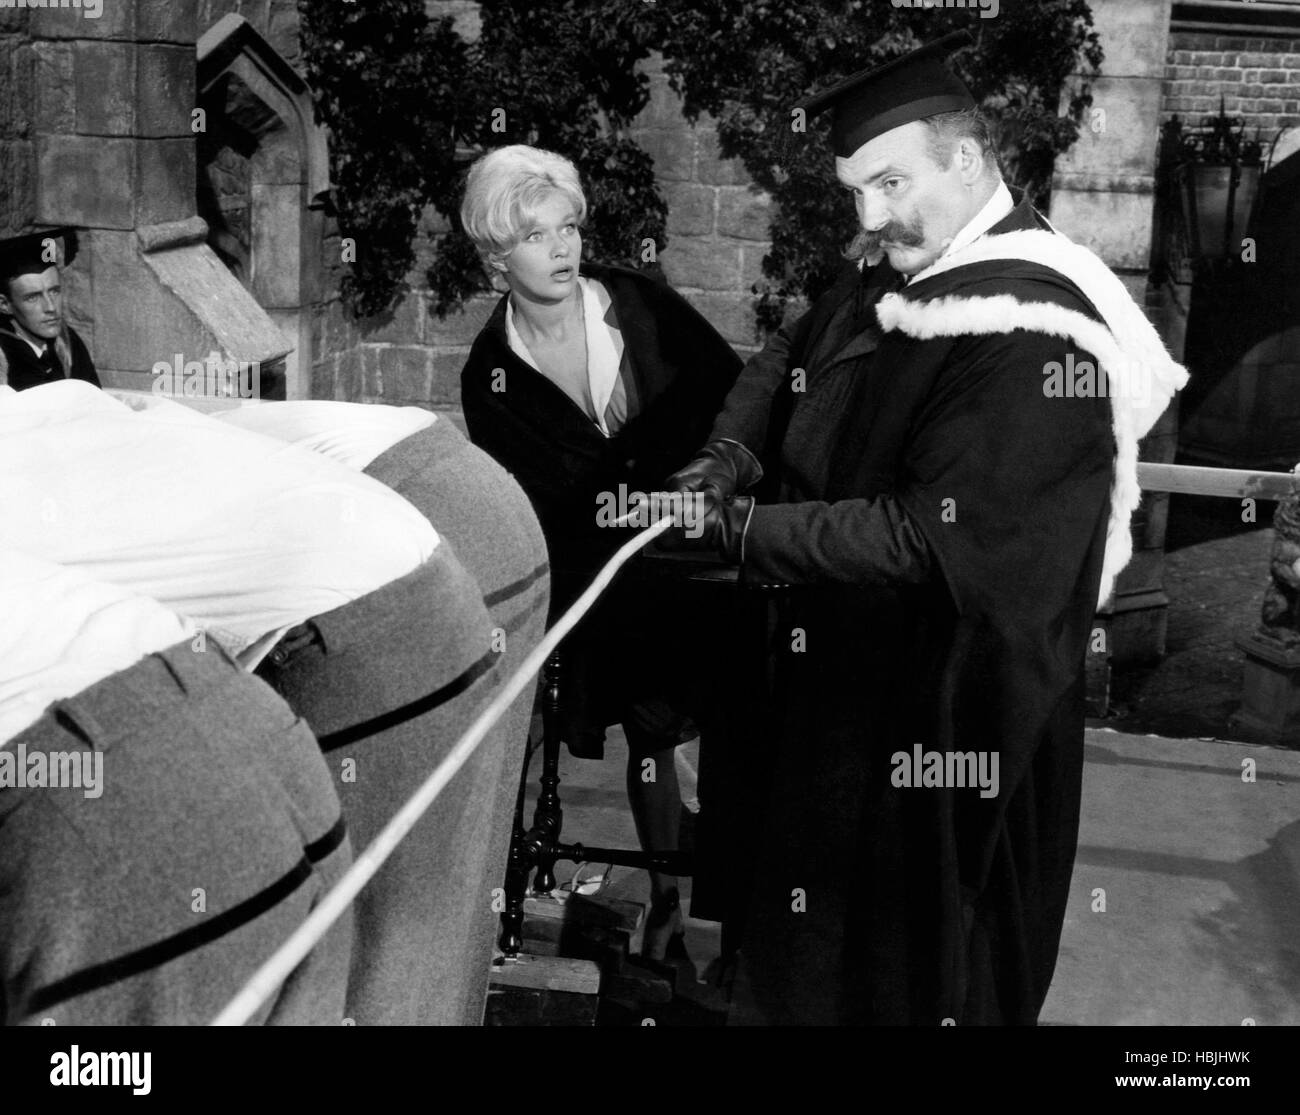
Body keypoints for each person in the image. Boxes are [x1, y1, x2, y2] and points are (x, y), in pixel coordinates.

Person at [663, 30, 1187, 1024]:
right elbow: (790, 347)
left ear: (964, 155)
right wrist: (727, 451)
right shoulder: (910, 261)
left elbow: (920, 540)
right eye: (856, 189)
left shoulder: (1033, 330)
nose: (870, 216)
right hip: (848, 697)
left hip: (949, 726)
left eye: (890, 183)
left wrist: (741, 536)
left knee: (905, 980)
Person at [458, 145, 743, 959]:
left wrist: (704, 486)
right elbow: (539, 502)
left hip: (714, 555)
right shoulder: (492, 376)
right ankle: (665, 902)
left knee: (737, 721)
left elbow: (733, 395)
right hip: (613, 586)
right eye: (537, 235)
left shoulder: (640, 305)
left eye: (570, 227)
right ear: (495, 256)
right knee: (654, 727)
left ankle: (739, 919)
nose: (562, 248)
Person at [0, 228, 99, 392]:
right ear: (4, 305)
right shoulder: (4, 352)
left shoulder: (66, 341)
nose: (51, 307)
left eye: (54, 291)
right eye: (33, 297)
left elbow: (95, 402)